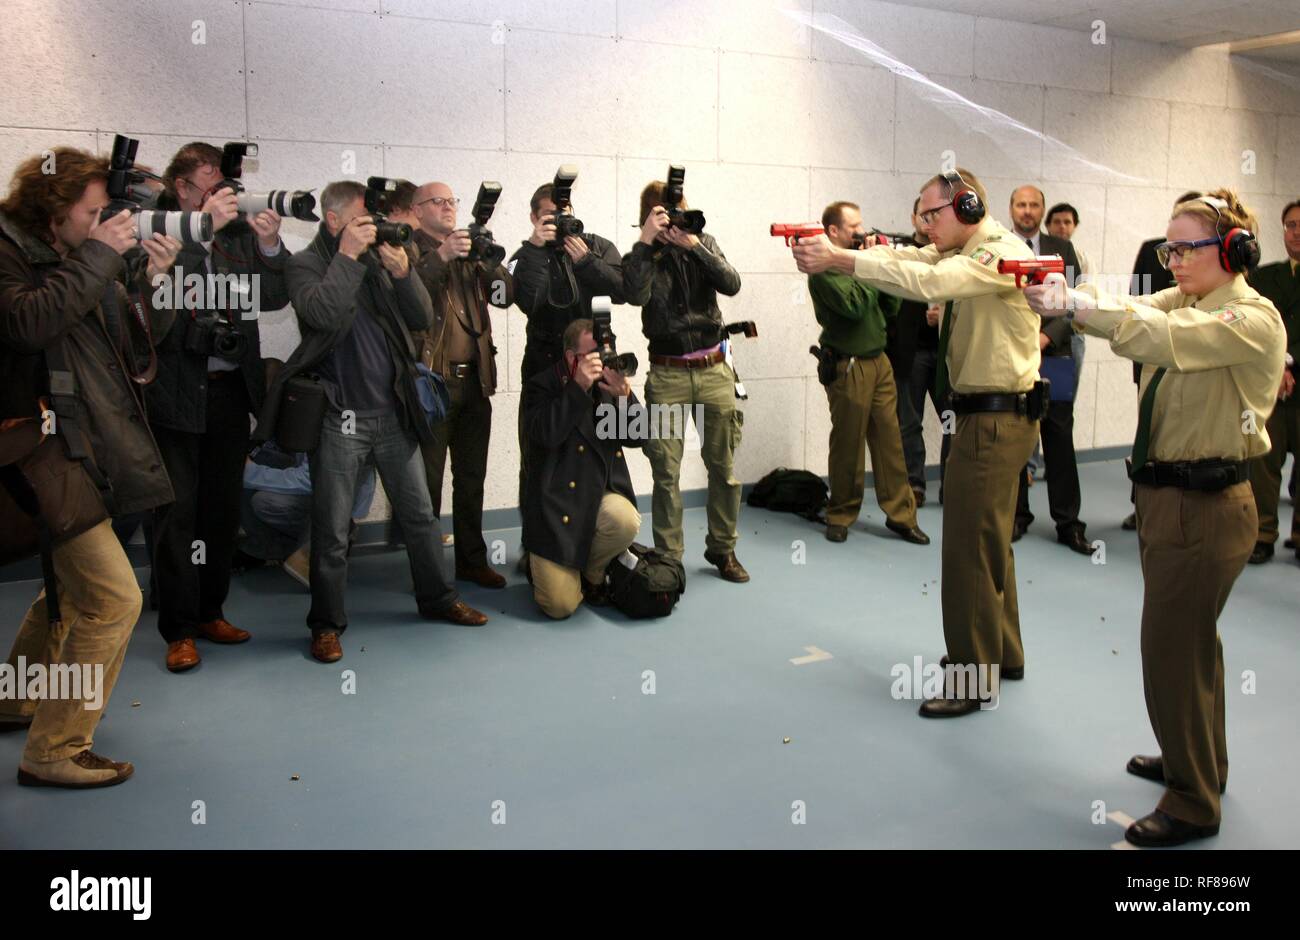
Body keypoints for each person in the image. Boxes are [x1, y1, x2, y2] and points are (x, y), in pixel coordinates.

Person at [1026, 190, 1284, 848]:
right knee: (1194, 648)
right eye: (1167, 247)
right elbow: (1136, 311)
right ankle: (1199, 762)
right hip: (1170, 499)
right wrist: (1066, 297)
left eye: (1185, 248)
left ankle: (1194, 802)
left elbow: (1163, 337)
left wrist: (1071, 304)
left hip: (1206, 504)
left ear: (1233, 251)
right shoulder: (1190, 299)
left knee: (1171, 651)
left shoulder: (1249, 319)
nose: (1171, 260)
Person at [794, 168, 1041, 718]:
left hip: (993, 420)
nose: (923, 226)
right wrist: (863, 255)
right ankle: (1003, 651)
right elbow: (915, 265)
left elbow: (930, 284)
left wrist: (838, 258)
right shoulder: (970, 249)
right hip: (998, 416)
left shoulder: (994, 252)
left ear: (967, 207)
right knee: (991, 538)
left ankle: (972, 676)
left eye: (931, 215)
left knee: (967, 550)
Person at [0, 147, 181, 786]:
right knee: (113, 596)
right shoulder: (8, 252)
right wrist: (100, 256)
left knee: (73, 587)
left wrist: (152, 286)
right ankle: (54, 750)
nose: (105, 220)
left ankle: (18, 696)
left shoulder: (75, 255)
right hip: (30, 446)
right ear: (54, 210)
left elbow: (128, 344)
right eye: (94, 211)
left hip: (72, 443)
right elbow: (27, 323)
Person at [258, 181, 487, 664]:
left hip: (392, 413)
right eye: (364, 219)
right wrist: (346, 257)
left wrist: (404, 275)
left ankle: (439, 598)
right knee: (333, 530)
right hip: (339, 419)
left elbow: (421, 317)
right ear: (335, 220)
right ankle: (325, 624)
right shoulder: (306, 263)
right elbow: (320, 313)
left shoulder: (381, 259)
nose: (376, 227)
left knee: (422, 519)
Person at [148, 141, 292, 673]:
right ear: (182, 188)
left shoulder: (235, 237)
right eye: (210, 186)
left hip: (231, 393)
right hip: (176, 393)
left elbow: (274, 299)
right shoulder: (155, 228)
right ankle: (179, 629)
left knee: (220, 513)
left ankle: (211, 611)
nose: (223, 196)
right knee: (177, 517)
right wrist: (199, 228)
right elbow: (160, 298)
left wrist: (271, 245)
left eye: (222, 186)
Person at [624, 178, 747, 582]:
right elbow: (635, 294)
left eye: (681, 210)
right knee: (666, 471)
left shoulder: (703, 242)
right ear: (651, 217)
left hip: (714, 370)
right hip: (668, 373)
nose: (678, 220)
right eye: (667, 214)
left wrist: (693, 246)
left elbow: (731, 283)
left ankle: (723, 549)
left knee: (723, 467)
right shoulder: (643, 255)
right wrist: (648, 244)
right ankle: (669, 557)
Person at [410, 181, 513, 589]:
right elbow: (408, 296)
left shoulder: (471, 253)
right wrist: (441, 256)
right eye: (438, 201)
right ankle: (429, 571)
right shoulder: (410, 249)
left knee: (472, 479)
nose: (449, 207)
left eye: (453, 201)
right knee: (428, 487)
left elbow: (507, 296)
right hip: (433, 387)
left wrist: (488, 260)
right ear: (417, 210)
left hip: (475, 385)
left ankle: (471, 560)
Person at [809, 200, 927, 546]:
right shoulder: (823, 268)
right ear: (832, 232)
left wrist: (881, 272)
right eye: (853, 227)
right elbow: (856, 306)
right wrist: (873, 267)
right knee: (848, 444)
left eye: (862, 224)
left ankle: (902, 515)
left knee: (891, 443)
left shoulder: (860, 262)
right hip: (848, 366)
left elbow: (889, 306)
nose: (862, 232)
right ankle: (840, 513)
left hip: (879, 363)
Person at [510, 179, 624, 520]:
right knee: (539, 452)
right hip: (544, 368)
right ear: (534, 218)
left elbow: (623, 291)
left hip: (594, 362)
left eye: (564, 214)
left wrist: (587, 262)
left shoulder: (597, 247)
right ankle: (536, 544)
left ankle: (601, 537)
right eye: (549, 216)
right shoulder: (524, 256)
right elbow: (524, 300)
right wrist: (535, 250)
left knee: (600, 444)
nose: (559, 223)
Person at [521, 319, 643, 618]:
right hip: (554, 507)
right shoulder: (541, 386)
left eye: (606, 353)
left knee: (625, 520)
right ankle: (543, 564)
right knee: (560, 606)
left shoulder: (608, 387)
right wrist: (577, 389)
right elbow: (546, 435)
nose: (602, 362)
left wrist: (625, 398)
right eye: (593, 355)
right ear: (571, 357)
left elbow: (639, 436)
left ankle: (591, 571)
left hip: (597, 494)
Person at [237, 441, 377, 585]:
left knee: (264, 501)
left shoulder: (330, 427)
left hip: (331, 493)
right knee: (247, 464)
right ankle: (271, 548)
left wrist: (249, 472)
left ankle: (335, 533)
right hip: (311, 481)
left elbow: (309, 479)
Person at [1246, 199, 1300, 564]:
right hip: (1271, 383)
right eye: (1291, 225)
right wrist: (1279, 364)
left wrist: (1291, 361)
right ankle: (1263, 533)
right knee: (1263, 461)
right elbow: (1258, 326)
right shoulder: (1263, 277)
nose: (1296, 232)